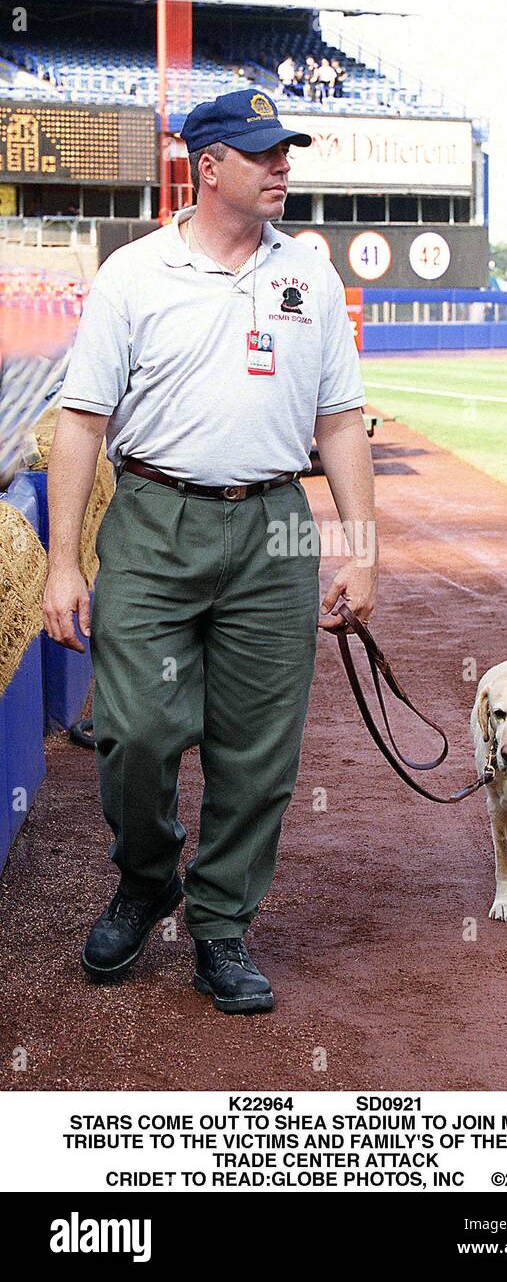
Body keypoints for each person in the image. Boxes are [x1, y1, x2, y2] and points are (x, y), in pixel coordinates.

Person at [43, 88, 378, 1016]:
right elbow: (81, 422)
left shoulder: (310, 273)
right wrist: (64, 562)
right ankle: (147, 873)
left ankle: (222, 924)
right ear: (208, 165)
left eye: (287, 152)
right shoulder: (133, 275)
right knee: (139, 729)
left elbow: (342, 422)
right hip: (155, 517)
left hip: (275, 523)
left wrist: (362, 551)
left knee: (258, 752)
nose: (283, 167)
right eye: (264, 152)